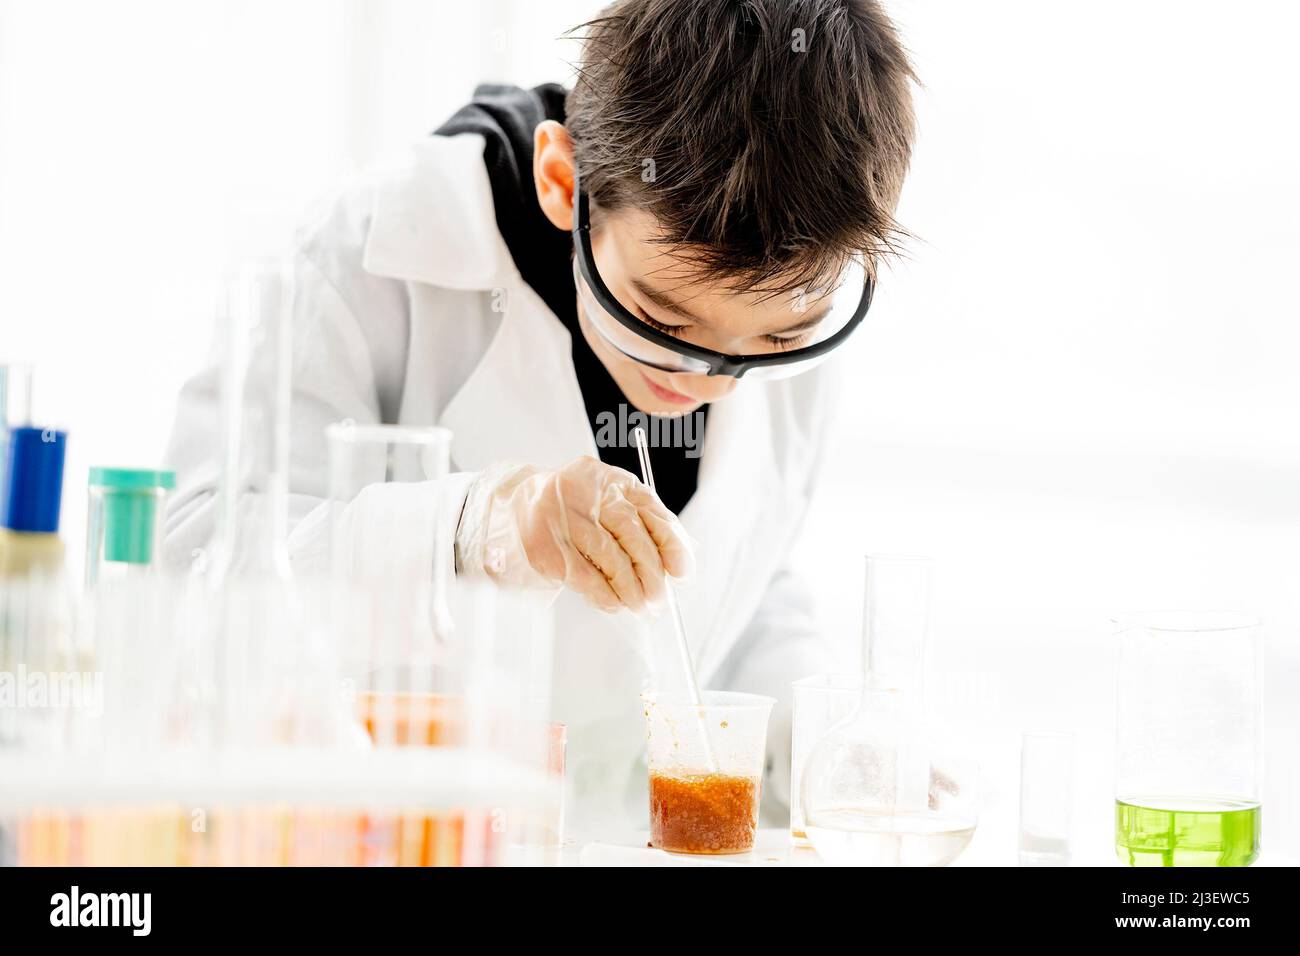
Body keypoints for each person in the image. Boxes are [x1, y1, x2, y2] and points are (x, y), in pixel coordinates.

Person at [163, 0, 916, 836]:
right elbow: (191, 560)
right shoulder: (374, 253)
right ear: (564, 184)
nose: (714, 383)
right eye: (665, 324)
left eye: (778, 337)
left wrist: (819, 749)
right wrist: (479, 526)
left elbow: (744, 577)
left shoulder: (796, 306)